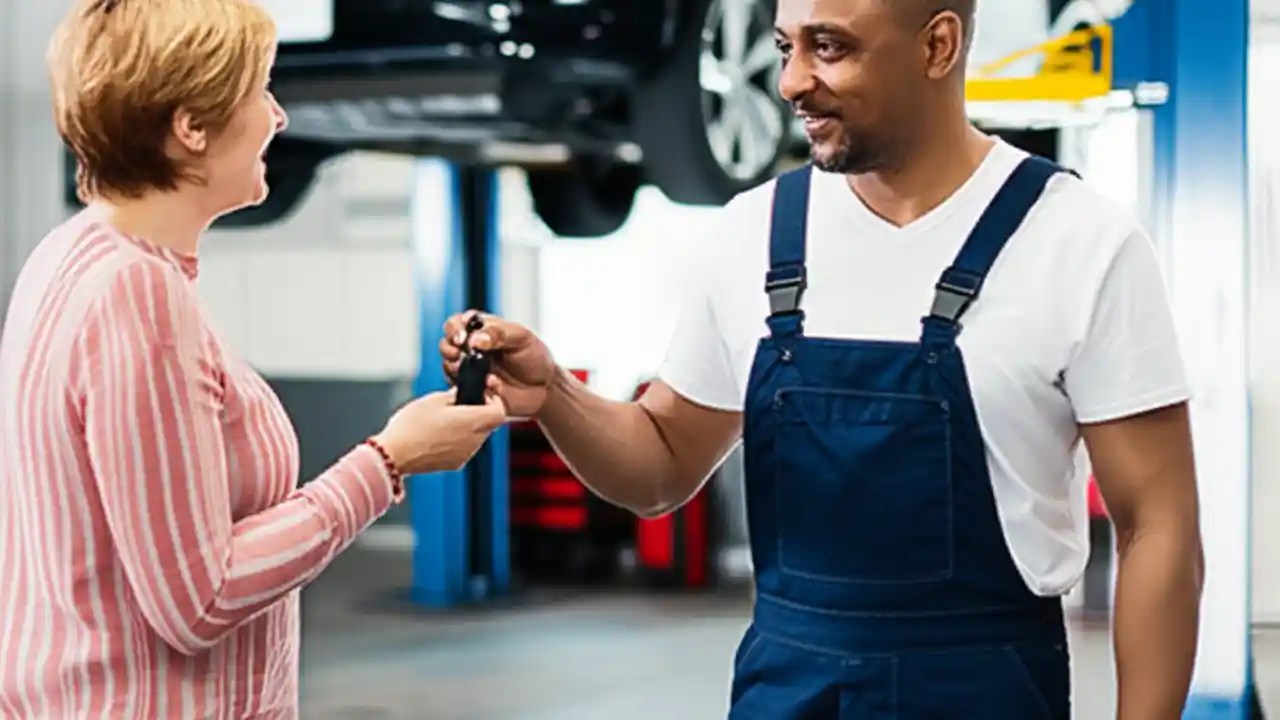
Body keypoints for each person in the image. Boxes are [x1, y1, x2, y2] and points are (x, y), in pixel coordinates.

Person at [442, 0, 1204, 717]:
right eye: (784, 47)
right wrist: (554, 394)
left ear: (938, 46)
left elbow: (1157, 528)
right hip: (787, 687)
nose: (790, 82)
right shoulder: (751, 233)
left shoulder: (1080, 242)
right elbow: (661, 467)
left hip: (984, 686)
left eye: (829, 47)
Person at [0, 1, 506, 718]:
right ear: (191, 128)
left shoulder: (72, 256)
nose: (277, 116)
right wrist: (389, 462)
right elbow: (199, 601)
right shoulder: (136, 294)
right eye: (259, 91)